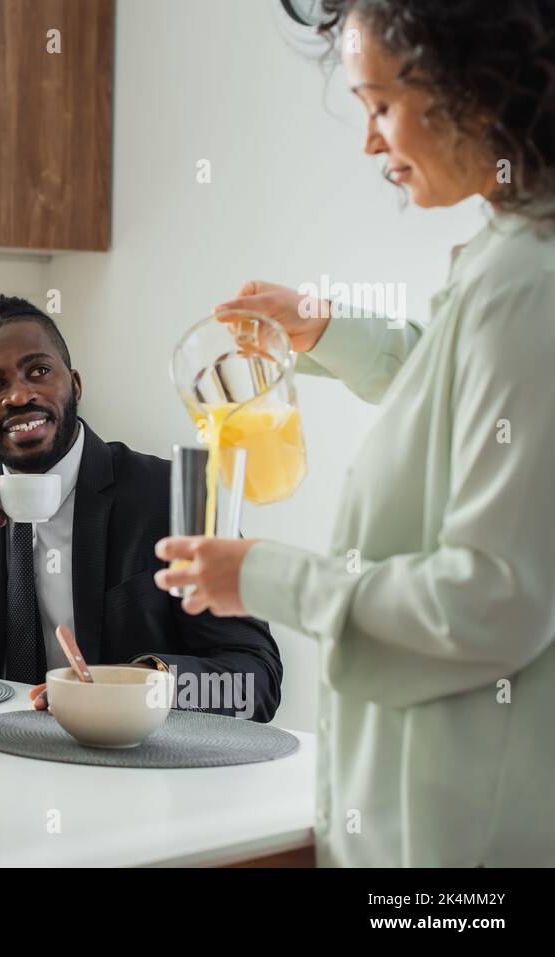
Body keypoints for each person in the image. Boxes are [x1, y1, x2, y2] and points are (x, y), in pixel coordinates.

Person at [154, 0, 555, 865]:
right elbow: (456, 395)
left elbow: (494, 601)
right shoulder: (511, 255)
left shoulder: (529, 283)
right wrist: (322, 327)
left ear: (473, 85)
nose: (371, 142)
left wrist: (267, 576)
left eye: (378, 104)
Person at [0, 295, 282, 721]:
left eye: (39, 371)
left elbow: (253, 681)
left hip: (127, 769)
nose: (18, 395)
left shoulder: (169, 495)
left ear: (75, 384)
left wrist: (143, 686)